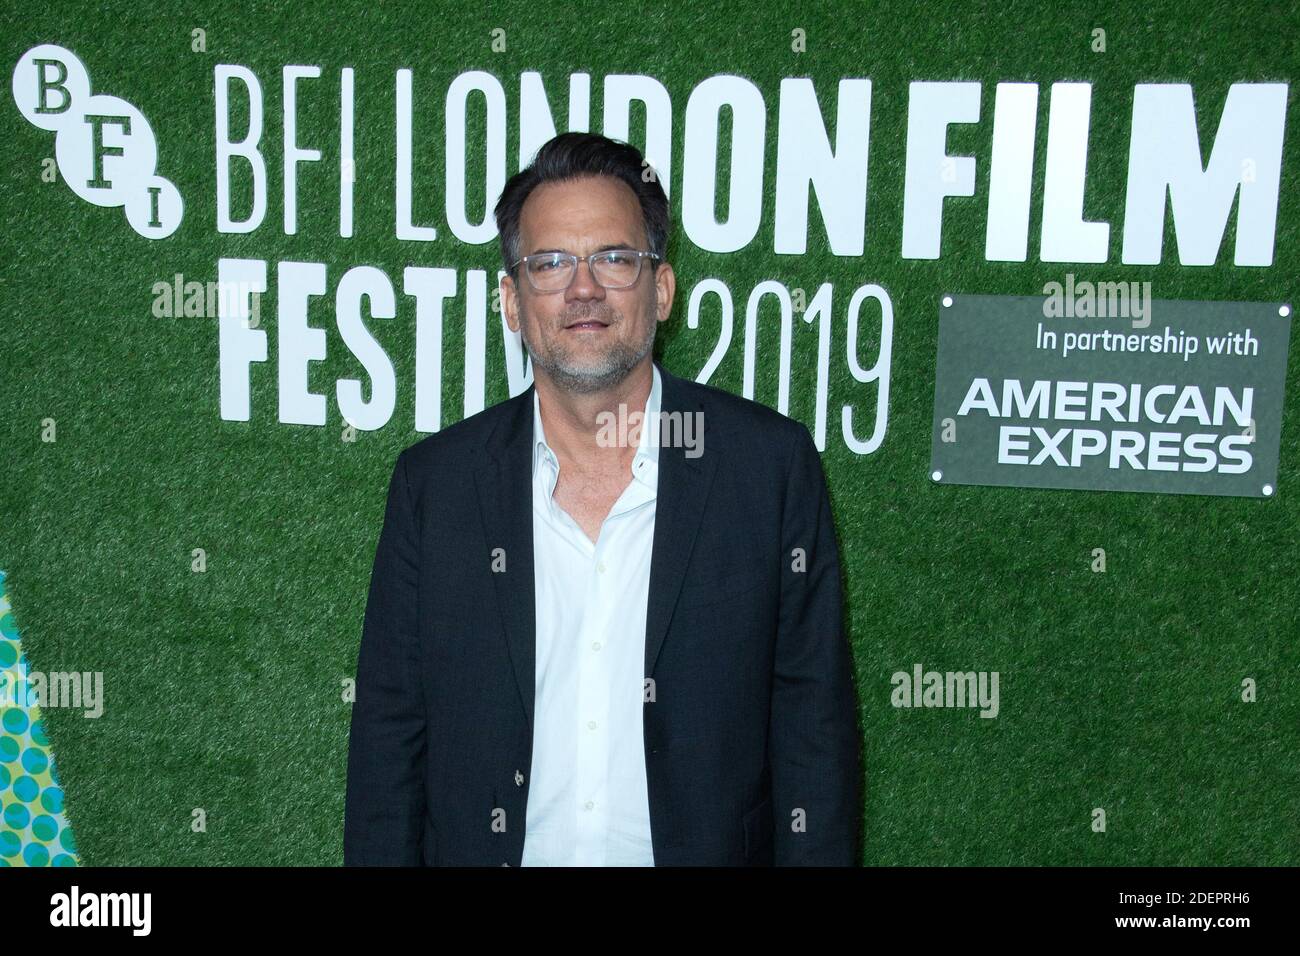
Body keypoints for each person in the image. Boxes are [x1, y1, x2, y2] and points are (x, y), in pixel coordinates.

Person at [343, 132, 861, 866]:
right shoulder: (436, 486)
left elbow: (816, 737)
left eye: (615, 259)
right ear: (512, 302)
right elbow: (389, 746)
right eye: (549, 264)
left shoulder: (769, 470)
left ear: (664, 288)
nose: (583, 289)